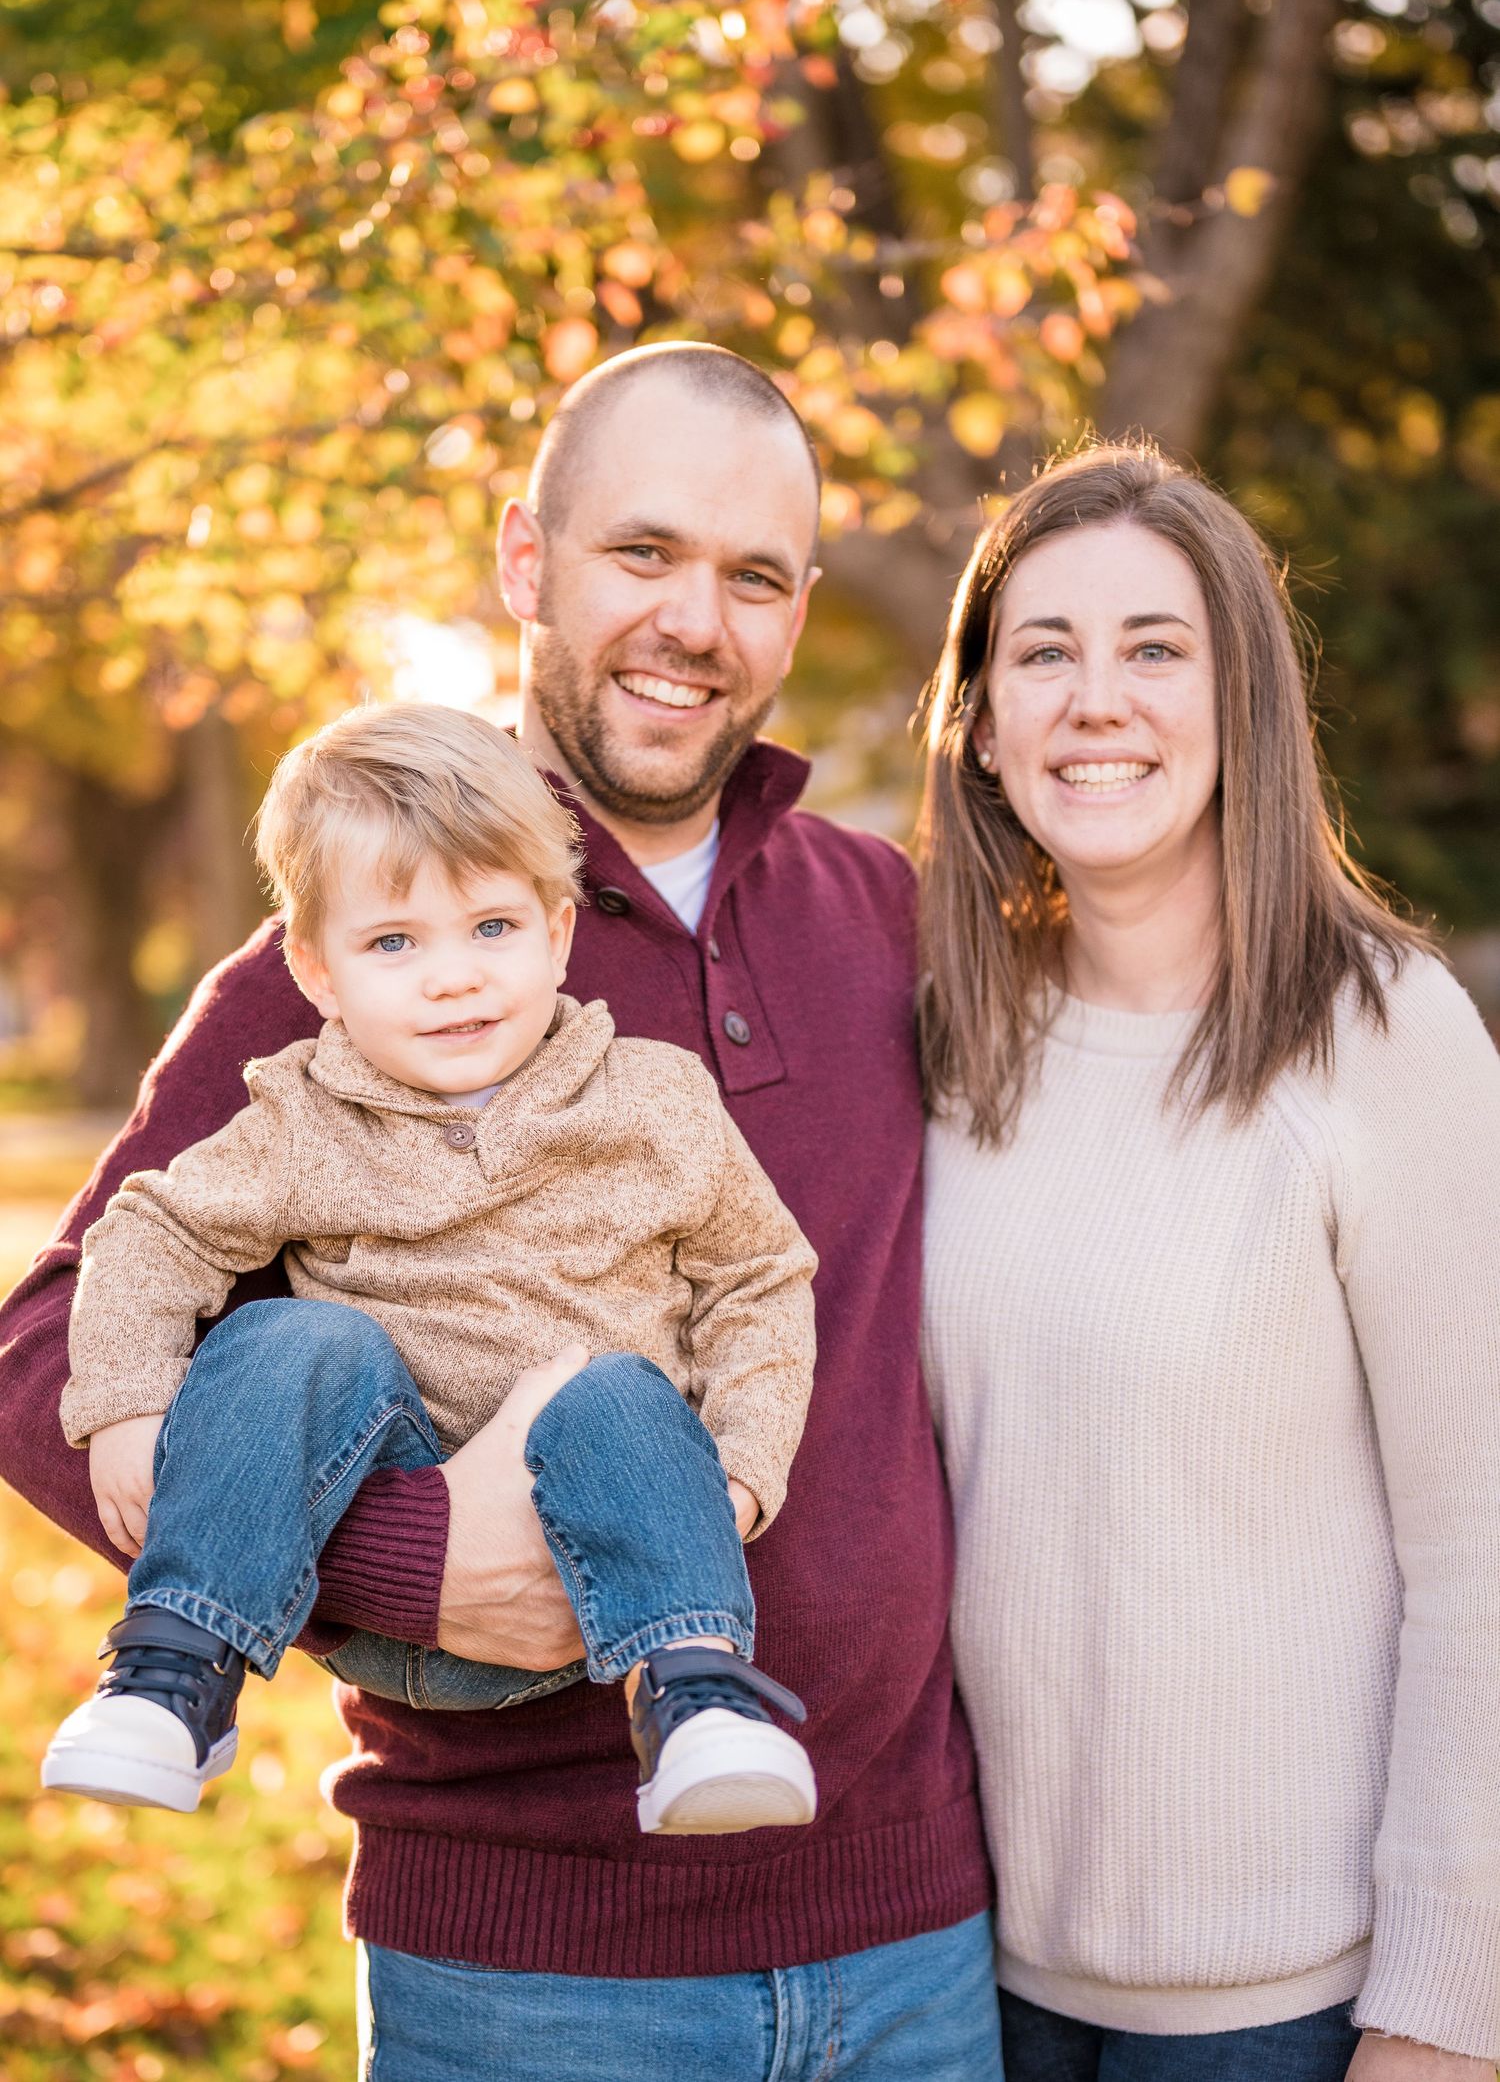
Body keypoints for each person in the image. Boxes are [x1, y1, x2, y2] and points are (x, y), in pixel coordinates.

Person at [0, 344, 1001, 2080]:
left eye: (752, 578)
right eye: (644, 554)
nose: (696, 621)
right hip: (535, 1974)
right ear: (525, 557)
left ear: (799, 610)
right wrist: (414, 1564)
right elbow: (37, 1362)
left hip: (915, 1941)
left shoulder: (884, 916)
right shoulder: (384, 943)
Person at [916, 442, 1500, 2081]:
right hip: (975, 1984)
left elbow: (1488, 1558)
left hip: (1293, 2010)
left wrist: (1448, 2017)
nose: (1097, 700)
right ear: (982, 721)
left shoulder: (1386, 1041)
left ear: (1244, 700)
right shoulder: (949, 1042)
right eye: (1044, 652)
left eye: (1155, 648)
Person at [43, 701, 819, 1839]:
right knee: (292, 1340)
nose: (452, 978)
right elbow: (152, 1233)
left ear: (559, 933)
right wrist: (122, 1404)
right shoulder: (305, 1114)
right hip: (400, 1596)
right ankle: (176, 1674)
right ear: (315, 969)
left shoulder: (652, 1099)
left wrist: (744, 1467)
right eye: (394, 943)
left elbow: (757, 1279)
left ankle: (696, 1696)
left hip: (611, 1566)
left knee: (610, 1384)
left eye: (491, 928)